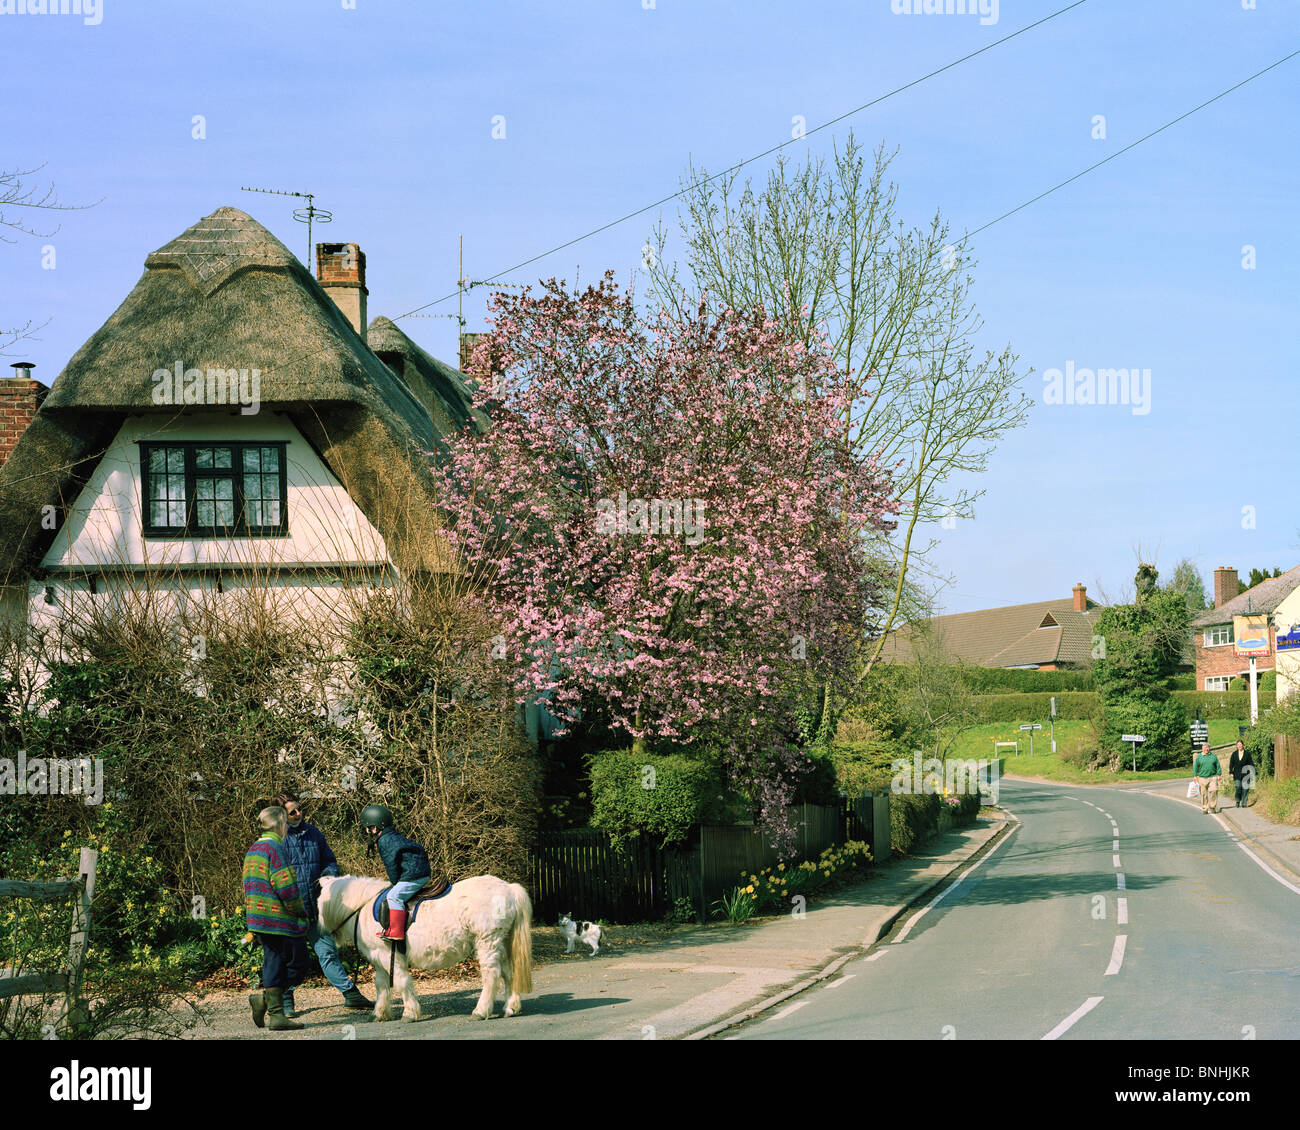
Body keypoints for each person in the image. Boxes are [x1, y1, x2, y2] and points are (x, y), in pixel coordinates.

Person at [276, 791, 373, 1015]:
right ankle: (285, 999)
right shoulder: (277, 839)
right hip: (290, 911)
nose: (299, 813)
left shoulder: (313, 833)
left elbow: (329, 859)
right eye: (293, 812)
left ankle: (351, 995)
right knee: (292, 959)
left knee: (328, 953)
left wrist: (328, 877)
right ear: (282, 816)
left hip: (316, 908)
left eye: (299, 808)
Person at [242, 805, 310, 1031]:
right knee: (298, 962)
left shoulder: (253, 848)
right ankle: (273, 1010)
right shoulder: (275, 848)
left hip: (258, 918)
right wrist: (300, 912)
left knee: (275, 962)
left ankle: (269, 1005)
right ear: (280, 825)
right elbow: (286, 886)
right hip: (277, 919)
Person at [360, 804, 430, 942]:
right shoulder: (392, 836)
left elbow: (392, 866)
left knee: (393, 896)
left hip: (414, 875)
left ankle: (396, 931)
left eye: (367, 828)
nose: (366, 831)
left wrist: (395, 882)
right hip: (418, 871)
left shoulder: (384, 841)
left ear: (374, 828)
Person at [1192, 743, 1222, 815]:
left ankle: (1212, 807)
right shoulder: (1199, 757)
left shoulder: (1213, 756)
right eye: (1205, 748)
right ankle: (1205, 808)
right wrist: (1195, 776)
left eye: (1207, 748)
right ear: (1202, 749)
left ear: (1209, 748)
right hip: (1202, 778)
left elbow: (1218, 766)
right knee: (1204, 794)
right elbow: (1196, 767)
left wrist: (1219, 774)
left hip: (1212, 777)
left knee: (1214, 790)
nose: (1206, 749)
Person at [1228, 740, 1255, 809]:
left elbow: (1251, 763)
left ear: (1243, 745)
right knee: (1238, 787)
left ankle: (1244, 803)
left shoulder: (1247, 754)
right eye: (1238, 745)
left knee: (1245, 789)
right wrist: (1231, 772)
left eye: (1240, 744)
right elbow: (1231, 764)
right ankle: (1237, 800)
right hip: (1237, 774)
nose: (1239, 746)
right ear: (1237, 746)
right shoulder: (1234, 754)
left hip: (1246, 774)